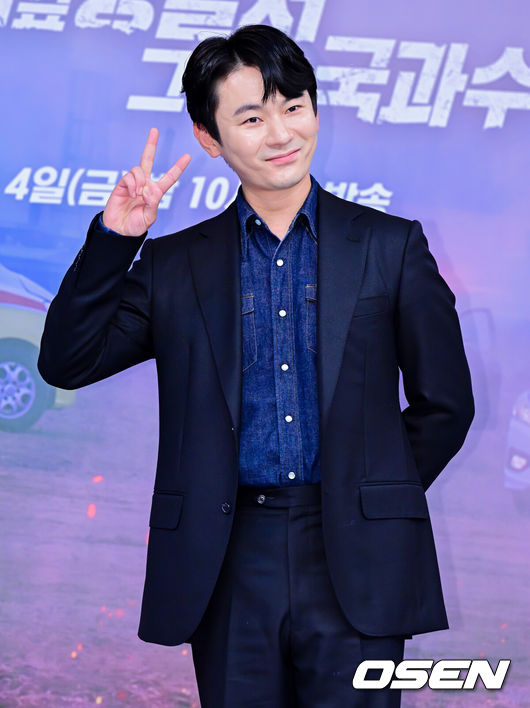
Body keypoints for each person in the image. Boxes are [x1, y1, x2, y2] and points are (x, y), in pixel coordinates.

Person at [38, 23, 474, 708]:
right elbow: (68, 361)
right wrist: (115, 240)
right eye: (251, 118)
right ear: (209, 137)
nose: (280, 133)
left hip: (355, 555)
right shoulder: (176, 265)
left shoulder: (390, 248)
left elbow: (446, 404)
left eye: (293, 107)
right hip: (228, 555)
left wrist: (371, 495)